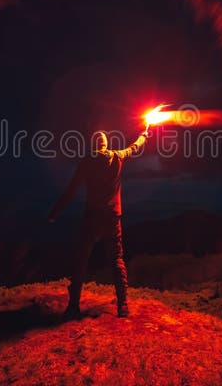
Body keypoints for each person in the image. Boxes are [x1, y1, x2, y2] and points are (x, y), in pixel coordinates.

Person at [47, 125, 150, 318]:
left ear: (94, 145)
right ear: (106, 144)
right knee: (117, 260)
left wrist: (55, 213)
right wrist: (144, 135)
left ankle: (73, 306)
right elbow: (135, 147)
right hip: (112, 218)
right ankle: (123, 306)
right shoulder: (118, 156)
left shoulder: (87, 162)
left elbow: (71, 190)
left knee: (81, 260)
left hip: (92, 217)